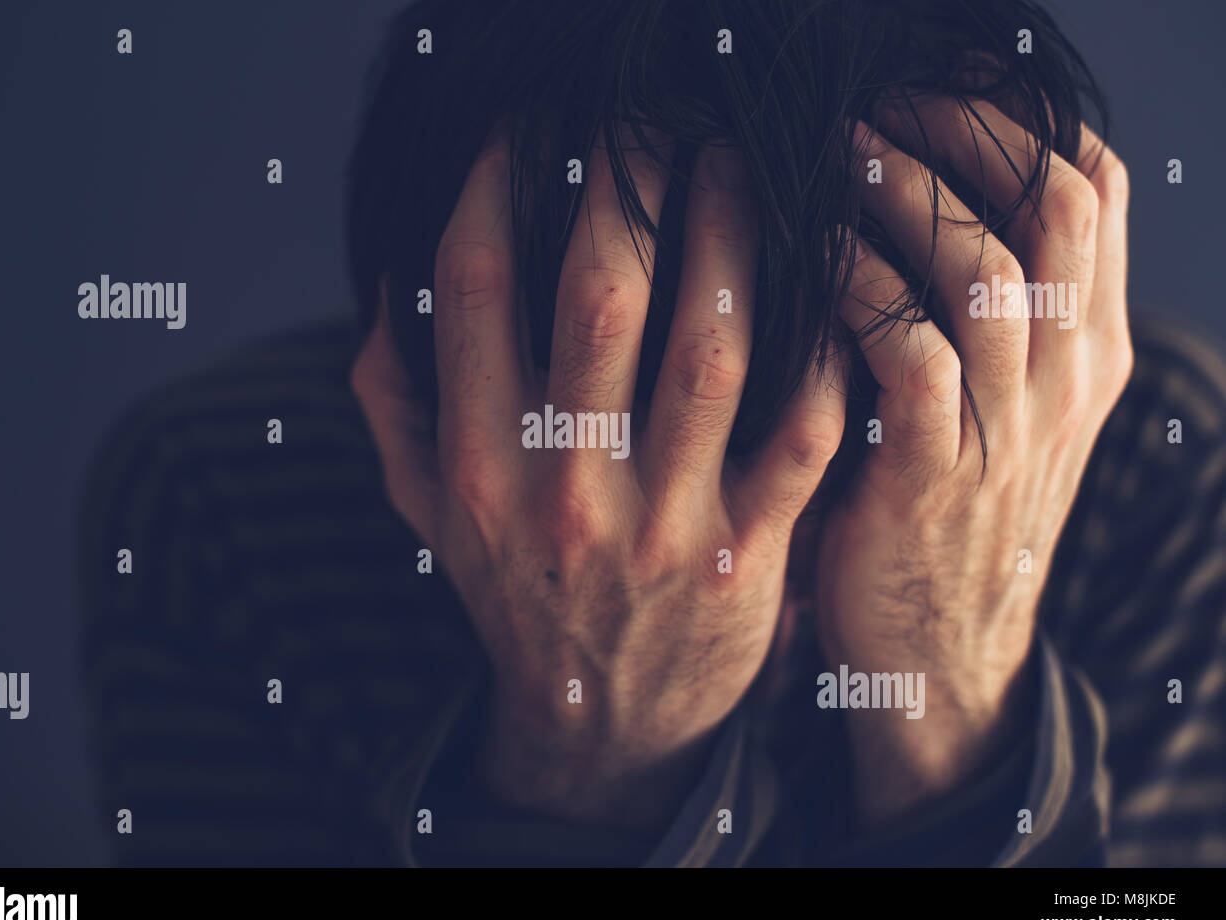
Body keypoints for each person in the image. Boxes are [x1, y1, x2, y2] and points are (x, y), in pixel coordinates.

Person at [80, 0, 1226, 865]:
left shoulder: (1157, 470)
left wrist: (957, 713)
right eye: (657, 451)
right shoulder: (223, 505)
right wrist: (585, 766)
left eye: (867, 462)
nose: (726, 590)